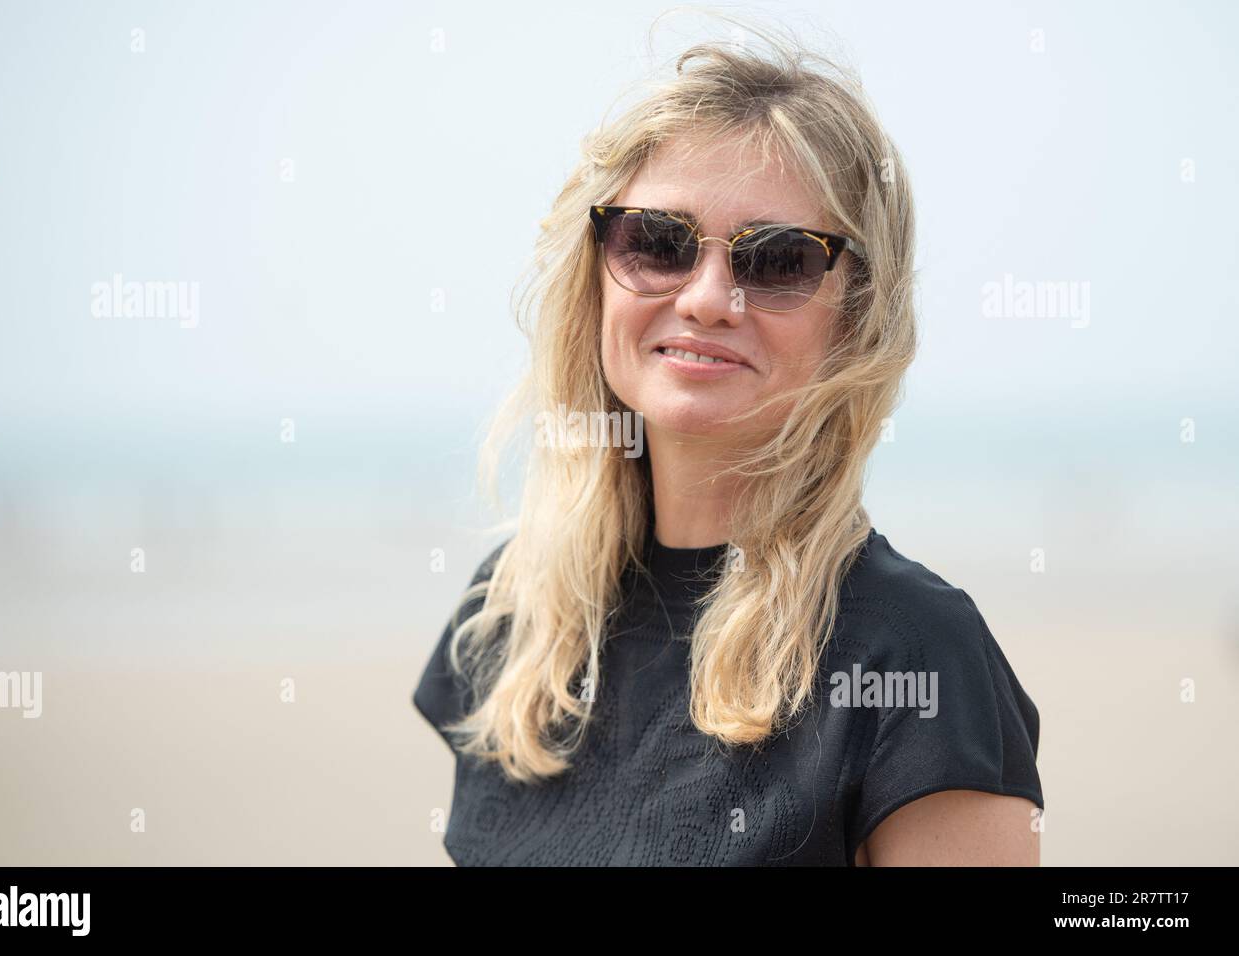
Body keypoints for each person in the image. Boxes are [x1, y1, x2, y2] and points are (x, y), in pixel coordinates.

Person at [413, 20, 1043, 866]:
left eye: (777, 260)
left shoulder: (914, 652)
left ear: (856, 320)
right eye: (658, 243)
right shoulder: (513, 615)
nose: (709, 298)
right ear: (596, 273)